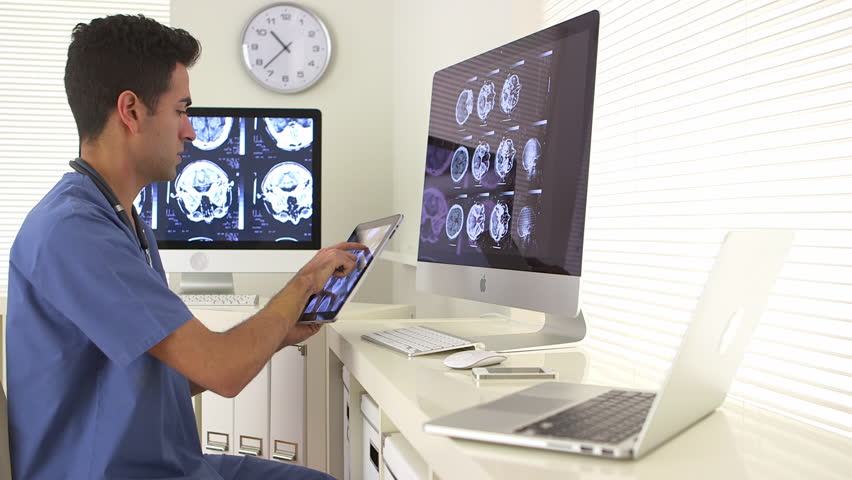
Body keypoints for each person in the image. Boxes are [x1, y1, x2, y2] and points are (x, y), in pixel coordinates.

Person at [5, 14, 359, 480]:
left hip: (166, 461)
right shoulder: (74, 231)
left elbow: (161, 377)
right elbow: (222, 372)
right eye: (181, 110)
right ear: (131, 111)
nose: (190, 131)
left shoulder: (120, 216)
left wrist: (272, 337)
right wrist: (304, 283)